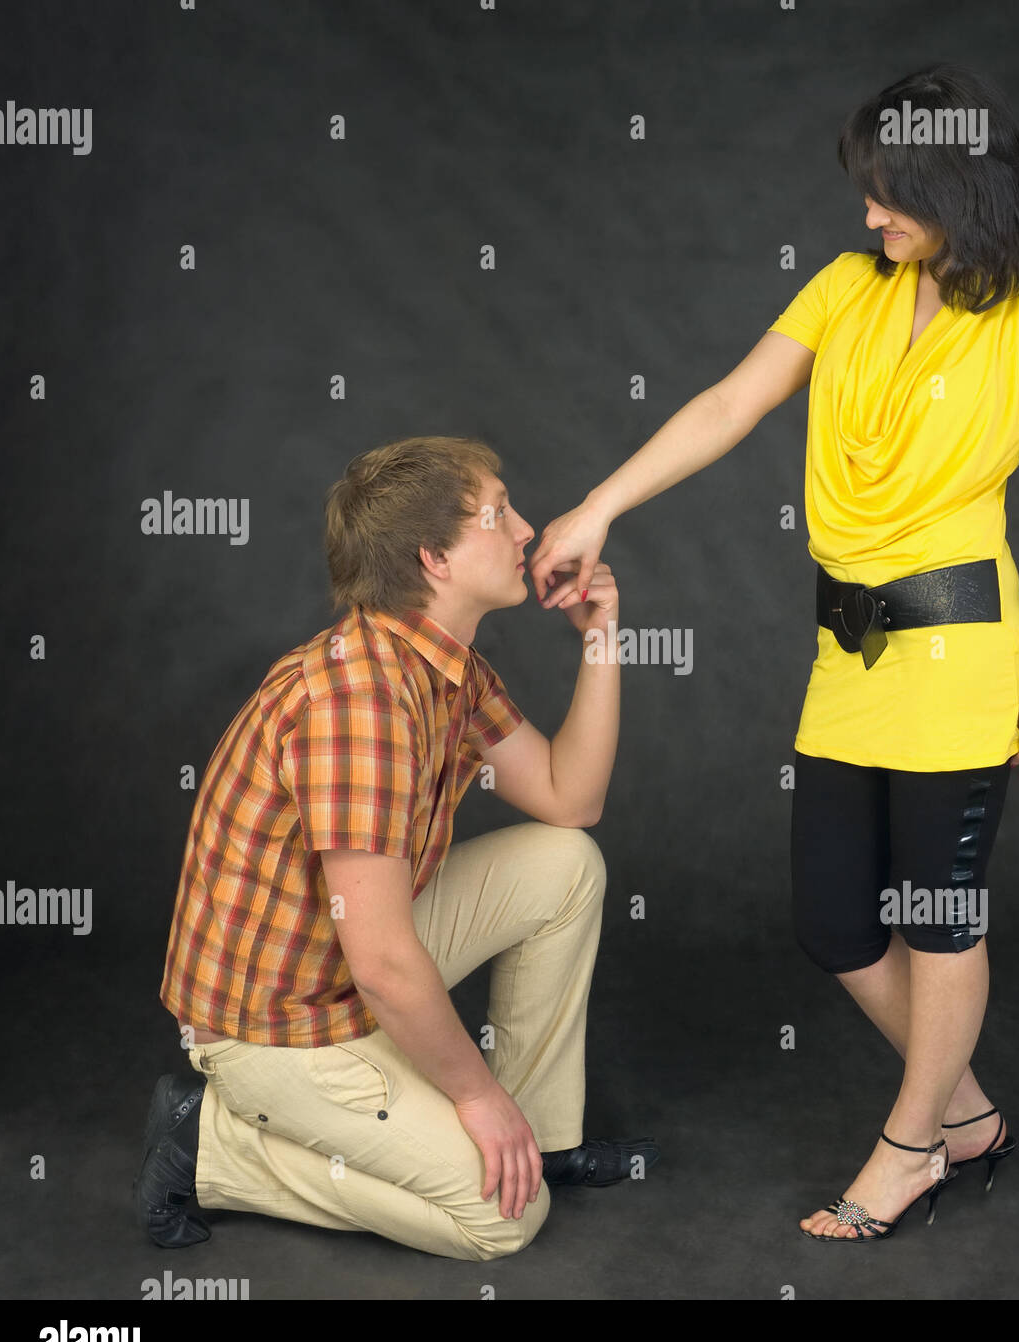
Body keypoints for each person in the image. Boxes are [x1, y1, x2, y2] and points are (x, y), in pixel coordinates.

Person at [527, 63, 1019, 1243]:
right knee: (834, 919)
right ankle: (968, 1116)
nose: (870, 215)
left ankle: (907, 1150)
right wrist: (597, 506)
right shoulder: (845, 289)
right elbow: (728, 406)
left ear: (957, 187)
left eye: (891, 195)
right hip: (850, 655)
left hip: (967, 651)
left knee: (939, 912)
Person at [135, 435, 658, 1261]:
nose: (526, 530)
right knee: (499, 1224)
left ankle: (542, 1142)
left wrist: (603, 635)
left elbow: (571, 798)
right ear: (434, 558)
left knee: (563, 865)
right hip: (281, 1026)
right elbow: (381, 960)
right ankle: (210, 1145)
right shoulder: (360, 700)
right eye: (499, 513)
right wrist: (475, 1094)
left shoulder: (440, 667)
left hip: (339, 969)